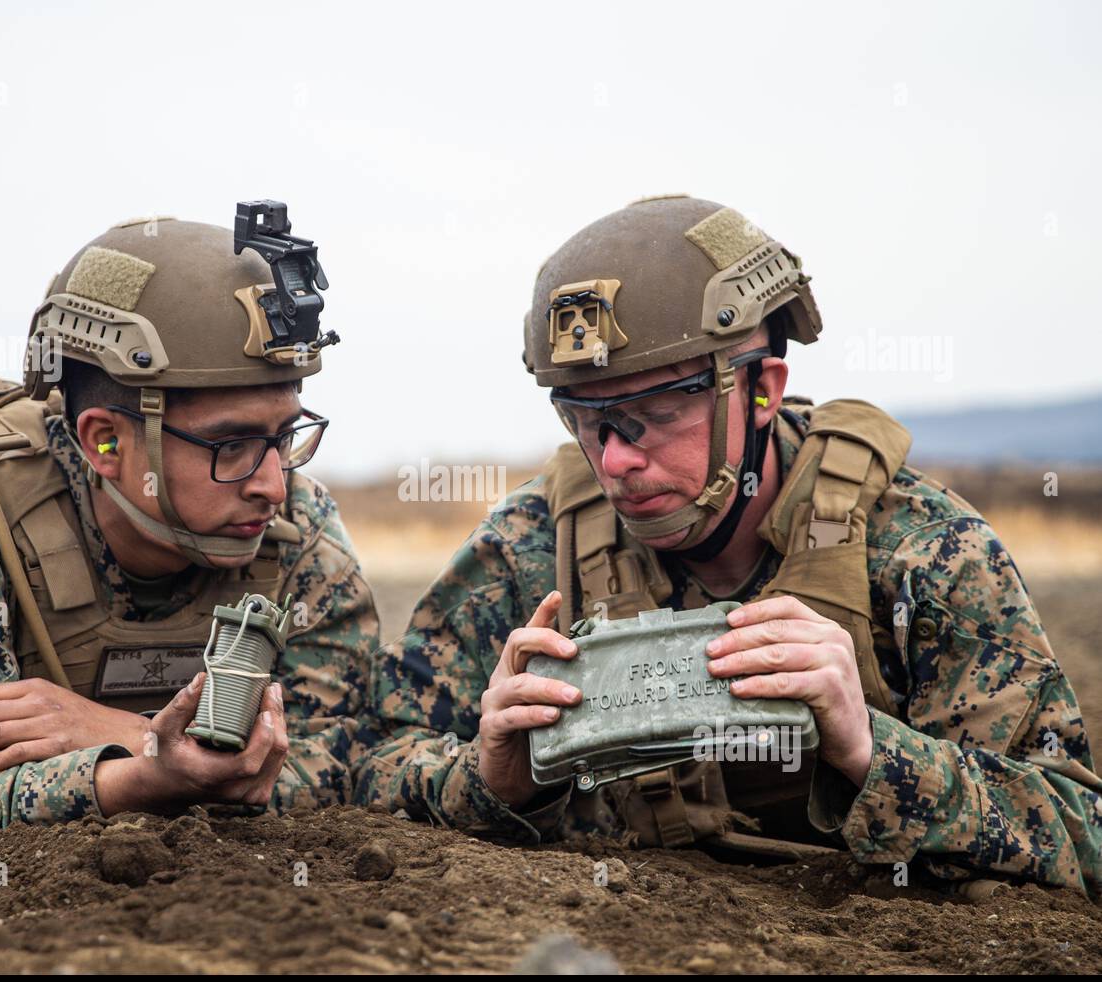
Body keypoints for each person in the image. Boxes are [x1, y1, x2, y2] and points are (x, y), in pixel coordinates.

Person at [355, 195, 1100, 897]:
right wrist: (494, 778)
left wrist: (870, 747)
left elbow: (1080, 829)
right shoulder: (529, 547)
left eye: (651, 414)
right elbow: (375, 760)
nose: (613, 460)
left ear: (763, 390)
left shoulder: (924, 552)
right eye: (586, 420)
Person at [0, 203, 378, 836]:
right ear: (107, 444)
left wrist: (128, 740)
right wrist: (144, 775)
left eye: (285, 437)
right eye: (230, 446)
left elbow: (344, 757)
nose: (273, 485)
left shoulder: (296, 529)